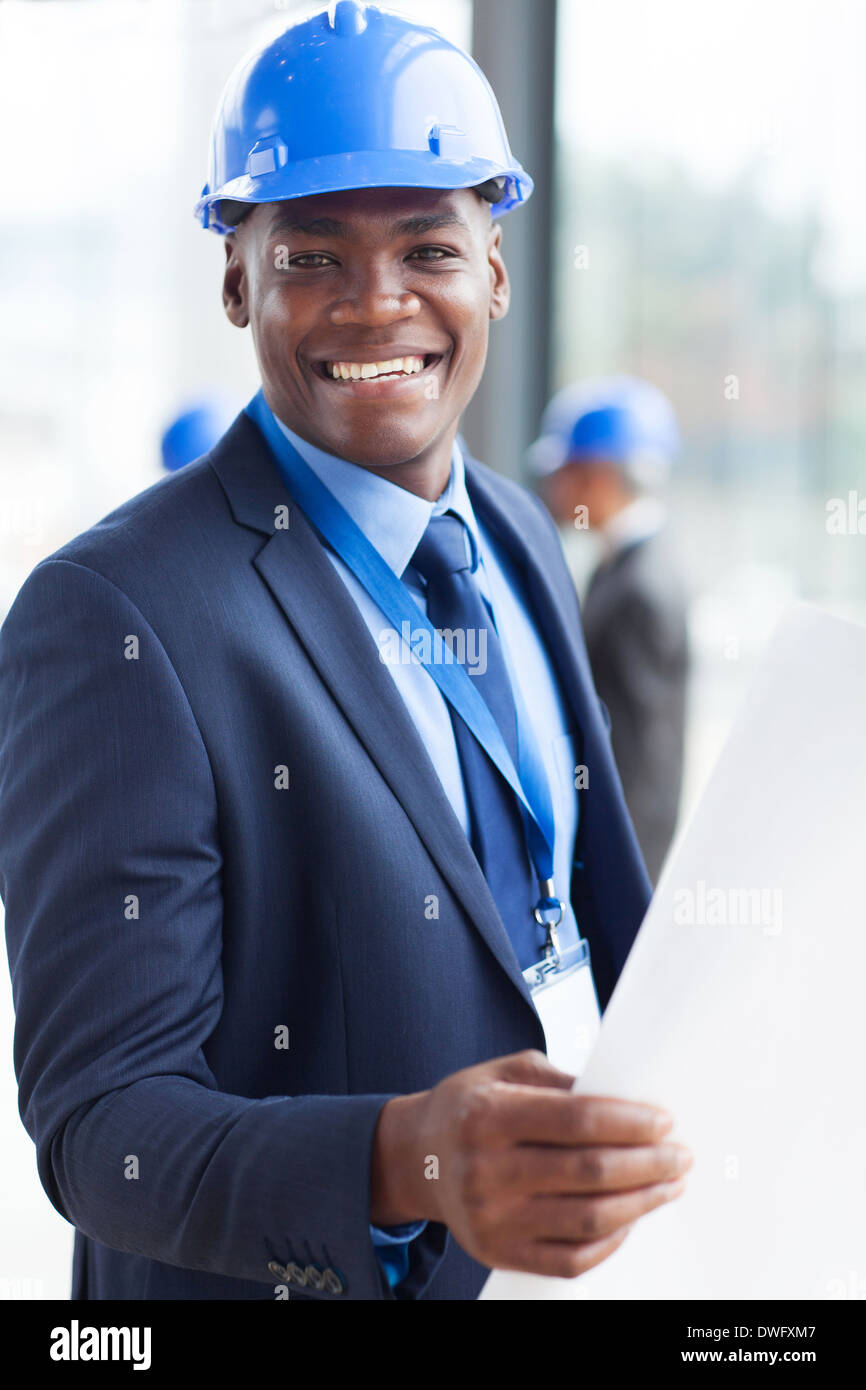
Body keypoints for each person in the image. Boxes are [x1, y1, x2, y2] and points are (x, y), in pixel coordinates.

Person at [0, 3, 691, 1302]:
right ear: (234, 280)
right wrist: (410, 1158)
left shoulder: (519, 531)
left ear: (492, 268)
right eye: (312, 255)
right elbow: (104, 1135)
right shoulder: (116, 614)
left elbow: (585, 903)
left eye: (427, 246)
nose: (378, 303)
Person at [531, 376, 689, 883]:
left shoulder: (641, 589)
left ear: (598, 476)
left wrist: (621, 883)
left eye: (565, 473)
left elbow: (645, 765)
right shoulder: (619, 569)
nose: (554, 490)